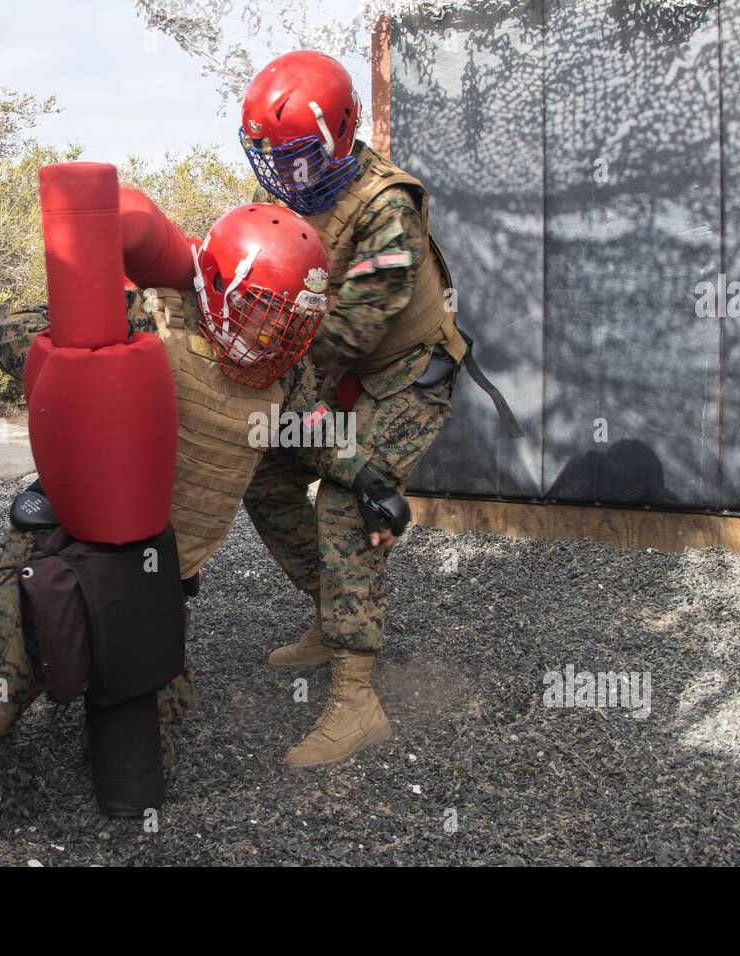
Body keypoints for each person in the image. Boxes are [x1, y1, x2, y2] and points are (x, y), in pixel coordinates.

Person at [0, 201, 330, 777]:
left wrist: (368, 477)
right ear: (216, 286)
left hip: (153, 581)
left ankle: (84, 666)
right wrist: (84, 340)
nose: (270, 335)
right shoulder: (152, 317)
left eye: (289, 321)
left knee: (139, 765)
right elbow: (8, 335)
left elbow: (315, 431)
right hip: (64, 550)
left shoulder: (284, 370)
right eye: (259, 312)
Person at [235, 51, 516, 768]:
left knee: (343, 499)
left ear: (338, 136)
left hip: (405, 380)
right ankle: (335, 618)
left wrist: (267, 360)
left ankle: (357, 700)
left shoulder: (387, 208)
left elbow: (345, 334)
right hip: (342, 371)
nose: (285, 176)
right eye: (275, 160)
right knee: (264, 474)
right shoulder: (307, 189)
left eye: (298, 159)